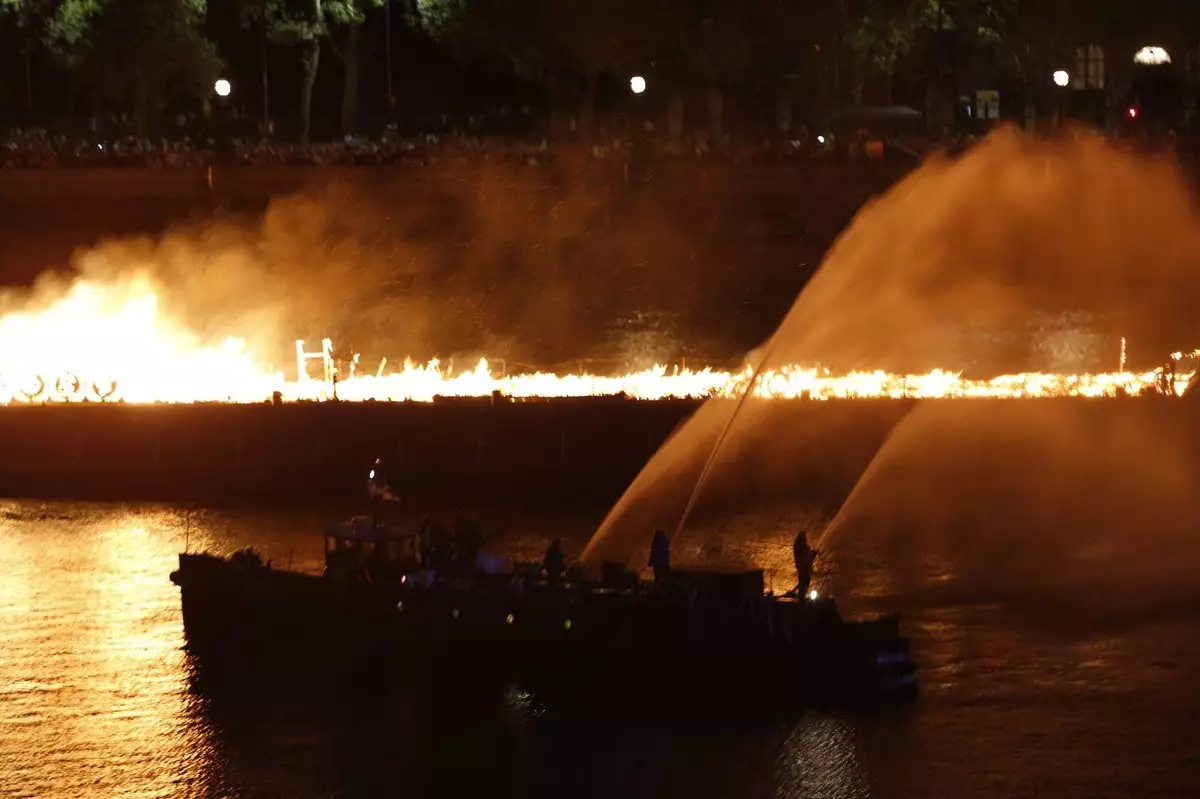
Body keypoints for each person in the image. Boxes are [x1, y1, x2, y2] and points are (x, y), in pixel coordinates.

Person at [793, 530, 818, 596]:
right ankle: (801, 599)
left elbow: (807, 556)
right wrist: (812, 554)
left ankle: (800, 597)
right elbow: (805, 556)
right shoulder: (800, 546)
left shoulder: (798, 545)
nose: (806, 538)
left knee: (803, 584)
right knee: (804, 585)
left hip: (804, 569)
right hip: (804, 569)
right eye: (805, 537)